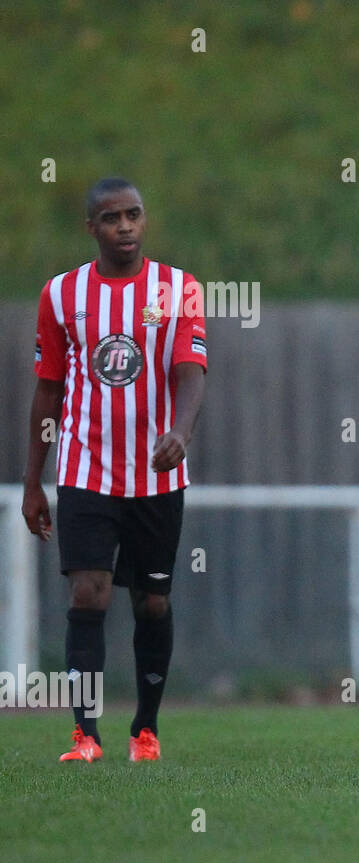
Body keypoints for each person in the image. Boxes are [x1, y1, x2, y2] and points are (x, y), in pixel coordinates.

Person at [22, 177, 208, 764]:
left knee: (152, 602)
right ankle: (86, 735)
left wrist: (179, 431)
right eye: (111, 218)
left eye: (133, 215)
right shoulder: (61, 294)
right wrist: (33, 480)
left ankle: (146, 730)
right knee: (89, 591)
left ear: (144, 220)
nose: (124, 226)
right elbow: (48, 391)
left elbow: (191, 371)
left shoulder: (178, 289)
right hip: (85, 469)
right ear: (91, 228)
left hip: (155, 478)